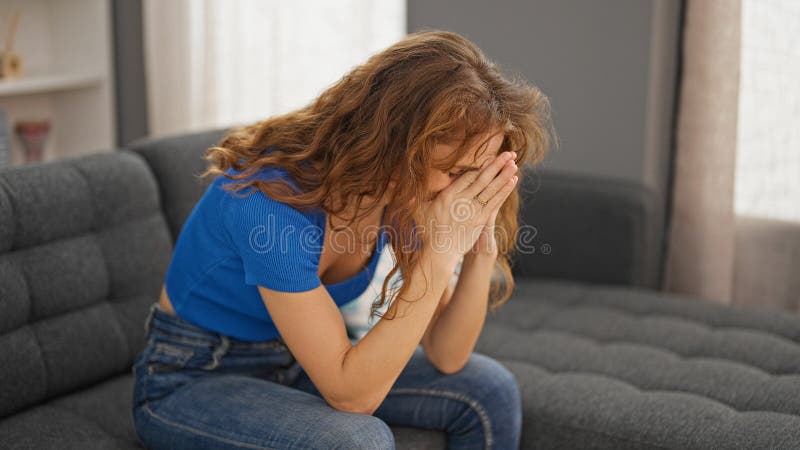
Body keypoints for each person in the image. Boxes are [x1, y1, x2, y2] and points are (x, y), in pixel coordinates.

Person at [131, 28, 555, 450]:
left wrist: (482, 247)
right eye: (458, 173)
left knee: (492, 388)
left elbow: (447, 354)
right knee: (357, 442)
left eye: (478, 174)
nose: (464, 190)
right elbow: (352, 395)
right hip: (192, 374)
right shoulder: (267, 205)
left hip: (295, 361)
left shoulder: (400, 193)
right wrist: (440, 254)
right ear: (395, 148)